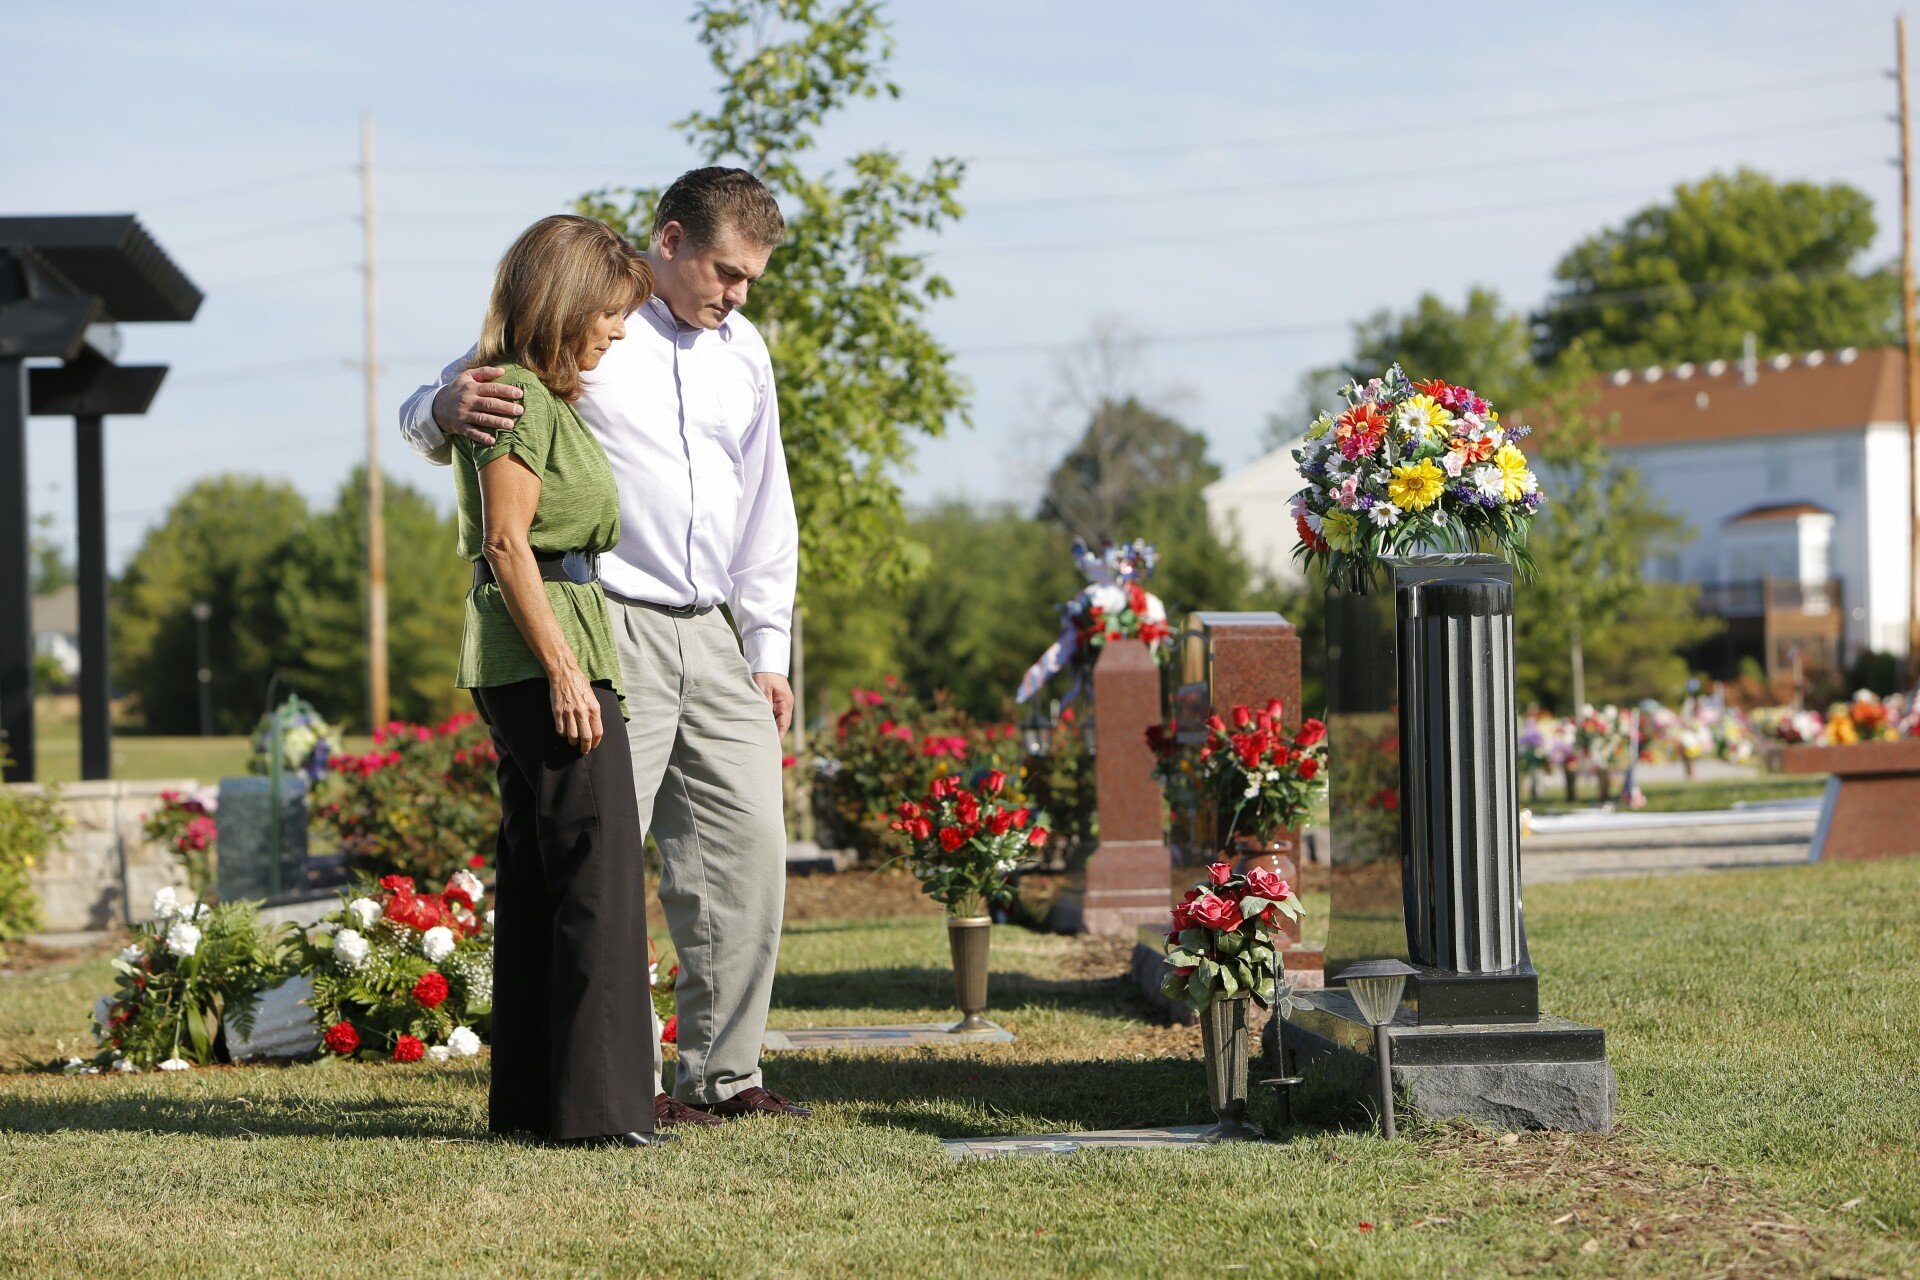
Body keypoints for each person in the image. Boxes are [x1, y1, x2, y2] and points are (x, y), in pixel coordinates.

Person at [401, 168, 810, 1126]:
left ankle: (725, 1074)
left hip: (714, 634)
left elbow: (767, 506)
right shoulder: (586, 320)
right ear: (668, 241)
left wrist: (769, 645)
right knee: (603, 864)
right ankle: (624, 1084)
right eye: (725, 271)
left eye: (750, 278)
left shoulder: (745, 352)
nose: (738, 294)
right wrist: (440, 411)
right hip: (603, 620)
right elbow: (446, 401)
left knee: (749, 851)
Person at [449, 213, 664, 1148]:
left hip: (542, 648)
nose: (616, 332)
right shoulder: (518, 399)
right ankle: (600, 1114)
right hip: (547, 654)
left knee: (546, 876)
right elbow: (507, 543)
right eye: (609, 314)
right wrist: (567, 672)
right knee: (598, 877)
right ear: (566, 301)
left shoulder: (537, 396)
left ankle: (538, 1105)